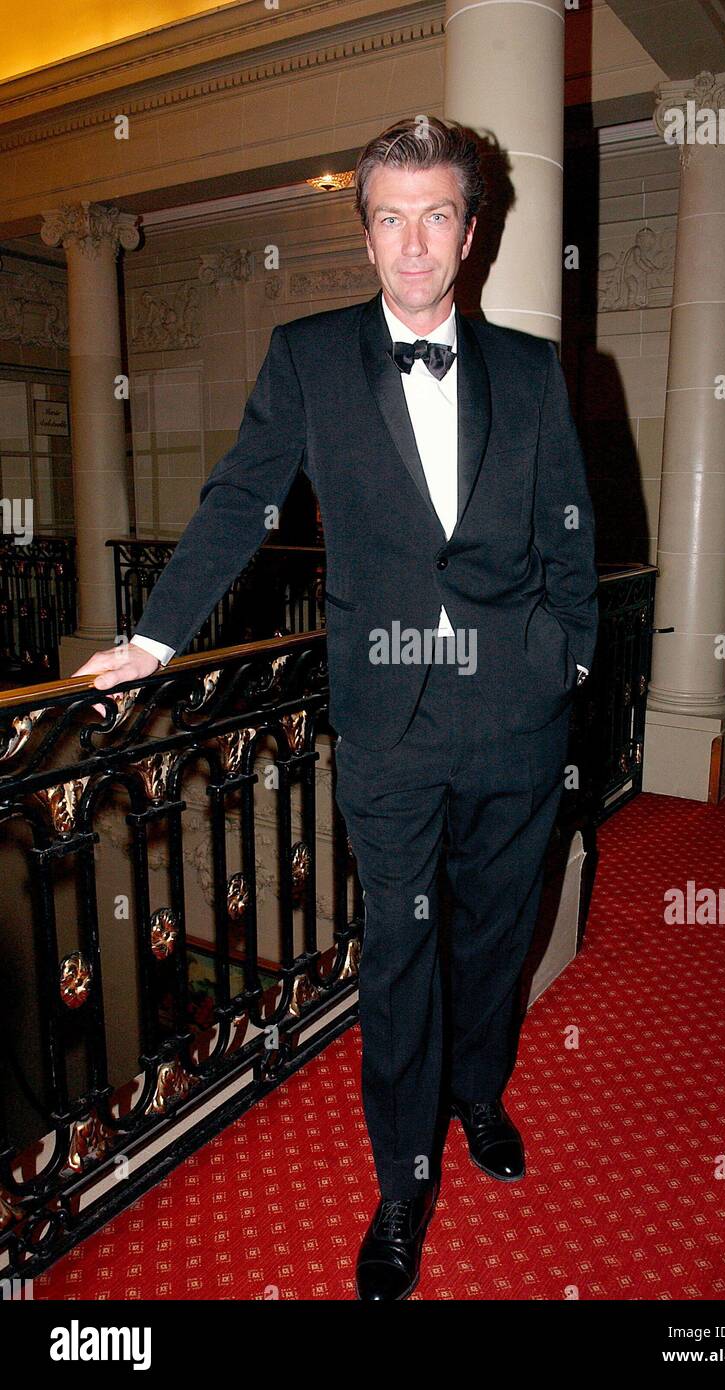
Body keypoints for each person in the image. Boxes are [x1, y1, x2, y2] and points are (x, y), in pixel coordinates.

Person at [74, 115, 599, 1301]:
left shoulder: (531, 372)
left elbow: (573, 532)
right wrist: (155, 637)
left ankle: (477, 1091)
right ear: (363, 233)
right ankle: (402, 1189)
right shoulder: (308, 357)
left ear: (471, 230)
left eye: (437, 215)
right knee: (405, 956)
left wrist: (565, 662)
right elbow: (237, 501)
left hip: (518, 723)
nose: (413, 243)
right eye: (389, 217)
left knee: (493, 941)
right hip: (391, 735)